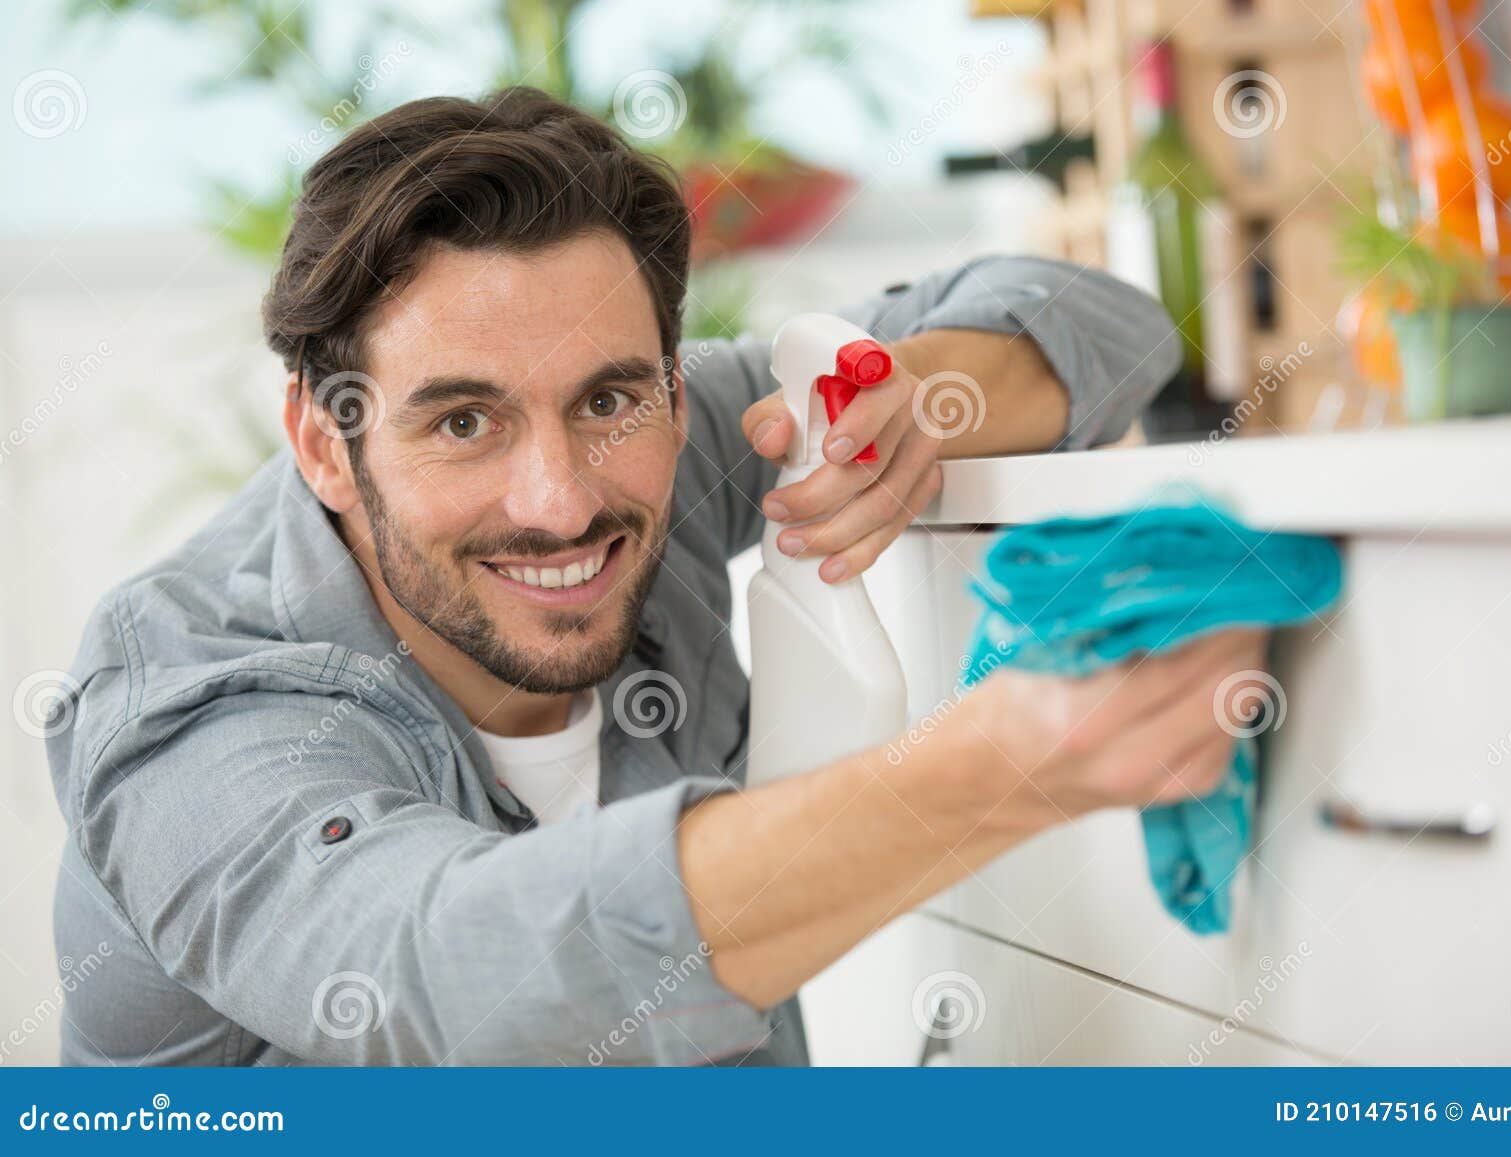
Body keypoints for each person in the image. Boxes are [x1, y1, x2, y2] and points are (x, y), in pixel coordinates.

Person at [46, 88, 1264, 1065]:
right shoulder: (188, 697)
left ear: (675, 392)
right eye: (463, 422)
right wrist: (1001, 766)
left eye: (612, 399)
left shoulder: (674, 440)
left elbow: (1109, 321)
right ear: (323, 438)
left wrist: (906, 396)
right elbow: (438, 977)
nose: (561, 497)